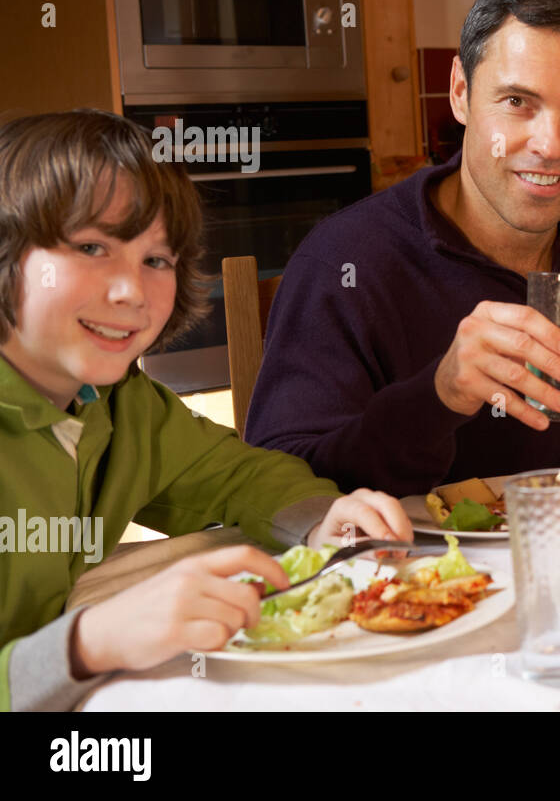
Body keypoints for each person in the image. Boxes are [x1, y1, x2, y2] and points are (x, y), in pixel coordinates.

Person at [244, 0, 560, 497]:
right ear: (459, 92)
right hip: (407, 572)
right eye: (518, 102)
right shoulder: (345, 263)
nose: (551, 145)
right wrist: (440, 393)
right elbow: (280, 490)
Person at [0, 110, 411, 712]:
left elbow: (239, 475)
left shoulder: (118, 406)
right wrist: (92, 640)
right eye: (91, 246)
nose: (131, 291)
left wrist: (327, 520)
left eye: (156, 260)